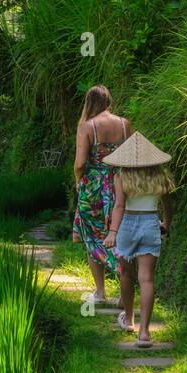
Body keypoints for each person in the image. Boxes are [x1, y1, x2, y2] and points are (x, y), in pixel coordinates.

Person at [101, 132, 175, 348]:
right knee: (147, 279)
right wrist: (166, 223)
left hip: (127, 225)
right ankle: (144, 333)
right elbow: (167, 206)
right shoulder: (159, 176)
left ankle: (129, 320)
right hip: (151, 223)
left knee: (125, 274)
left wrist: (113, 232)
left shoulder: (121, 176)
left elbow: (119, 206)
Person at [72, 86, 130, 302]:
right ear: (109, 102)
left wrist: (79, 182)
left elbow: (79, 164)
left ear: (88, 103)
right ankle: (126, 295)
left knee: (92, 237)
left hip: (94, 189)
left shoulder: (87, 126)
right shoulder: (125, 124)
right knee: (120, 236)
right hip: (122, 184)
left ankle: (101, 292)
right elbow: (133, 157)